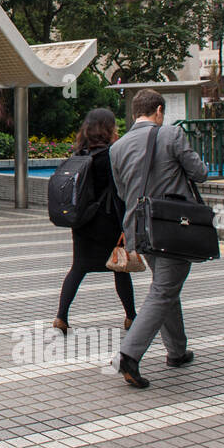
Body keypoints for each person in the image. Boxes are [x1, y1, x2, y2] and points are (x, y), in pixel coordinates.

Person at [108, 89, 208, 388]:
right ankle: (129, 354)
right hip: (172, 226)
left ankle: (177, 350)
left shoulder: (118, 146)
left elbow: (123, 192)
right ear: (159, 111)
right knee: (164, 289)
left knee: (166, 286)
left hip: (140, 228)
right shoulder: (172, 135)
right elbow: (200, 173)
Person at [53, 108, 136, 336]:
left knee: (78, 268)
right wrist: (125, 226)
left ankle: (61, 316)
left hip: (82, 222)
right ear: (108, 129)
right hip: (108, 222)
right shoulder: (110, 156)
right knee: (120, 269)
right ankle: (131, 316)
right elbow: (119, 193)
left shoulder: (79, 155)